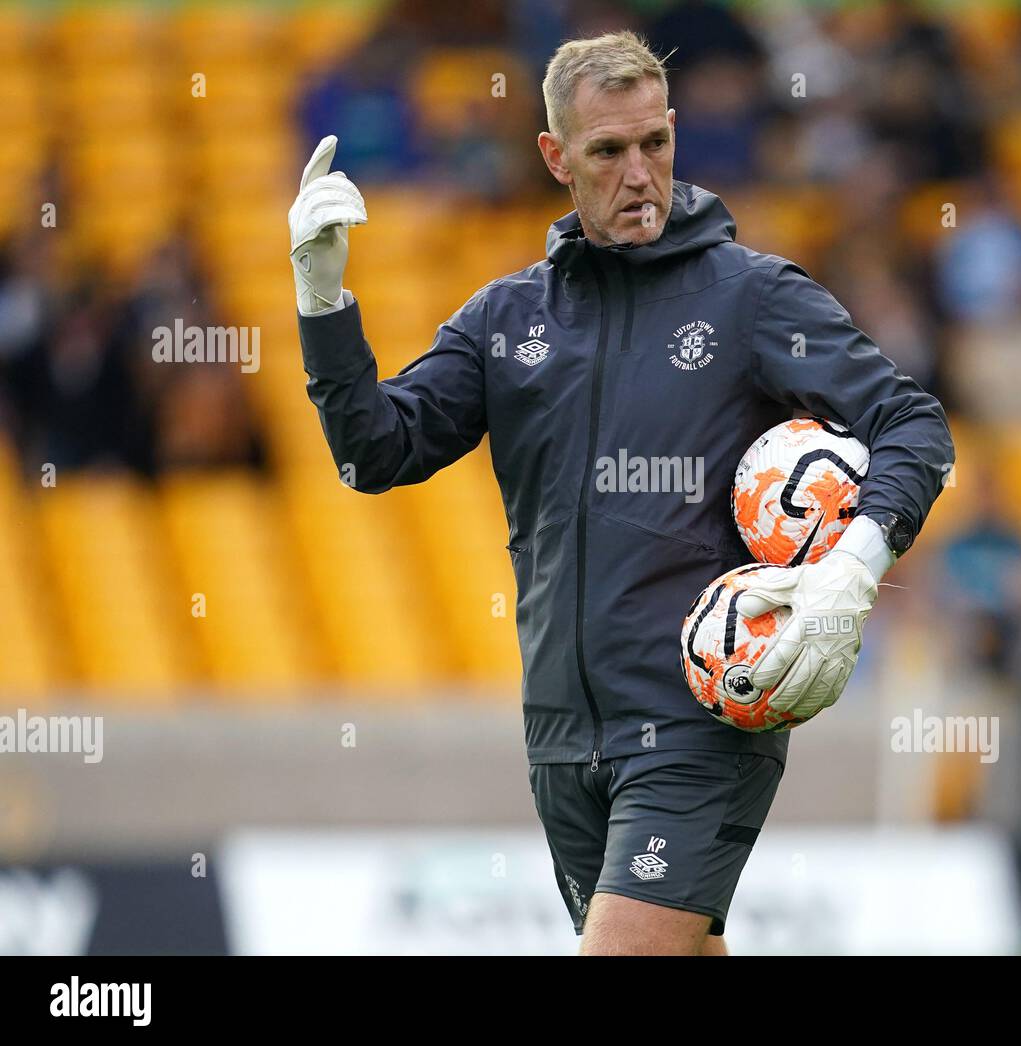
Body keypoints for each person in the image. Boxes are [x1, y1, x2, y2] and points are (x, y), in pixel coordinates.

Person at [289, 31, 953, 955]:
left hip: (700, 716)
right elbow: (373, 454)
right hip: (562, 738)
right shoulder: (505, 320)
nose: (640, 173)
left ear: (674, 132)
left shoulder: (751, 298)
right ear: (556, 158)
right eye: (608, 151)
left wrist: (853, 566)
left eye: (655, 144)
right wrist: (324, 304)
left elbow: (914, 424)